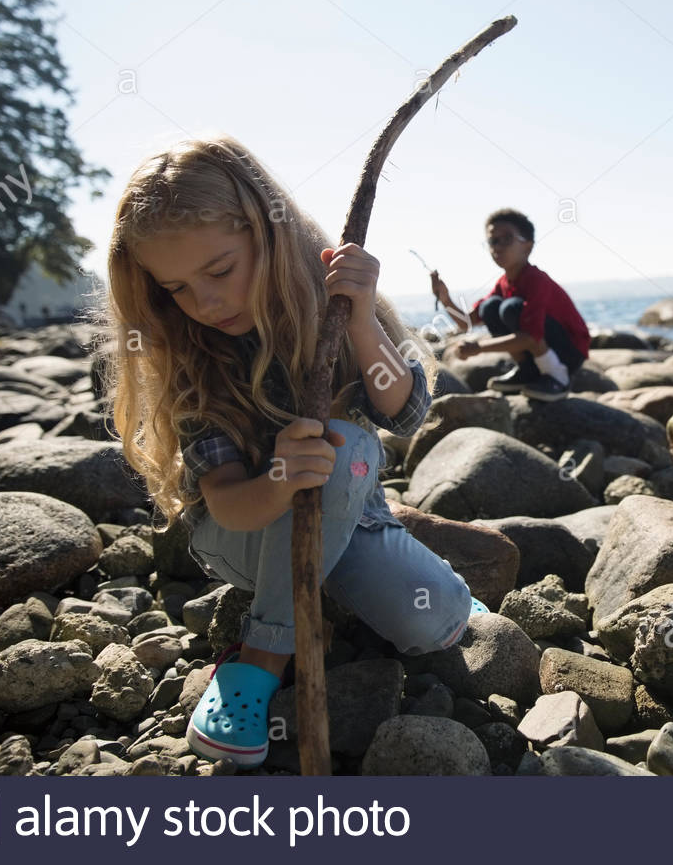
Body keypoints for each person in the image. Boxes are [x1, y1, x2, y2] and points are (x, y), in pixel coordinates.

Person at [96, 133, 481, 768]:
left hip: (345, 517)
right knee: (342, 445)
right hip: (241, 534)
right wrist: (278, 479)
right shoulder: (193, 359)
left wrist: (357, 318)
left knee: (437, 622)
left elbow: (407, 412)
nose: (205, 302)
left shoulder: (328, 303)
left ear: (268, 233)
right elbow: (227, 505)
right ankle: (257, 664)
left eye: (219, 271)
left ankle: (356, 583)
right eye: (177, 289)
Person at [429, 208, 590, 401]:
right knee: (490, 307)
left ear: (527, 247)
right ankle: (528, 371)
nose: (498, 246)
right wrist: (446, 299)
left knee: (511, 308)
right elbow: (467, 323)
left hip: (570, 352)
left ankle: (557, 376)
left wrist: (478, 347)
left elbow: (531, 337)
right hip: (543, 344)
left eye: (506, 239)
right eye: (493, 241)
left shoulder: (537, 280)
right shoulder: (504, 283)